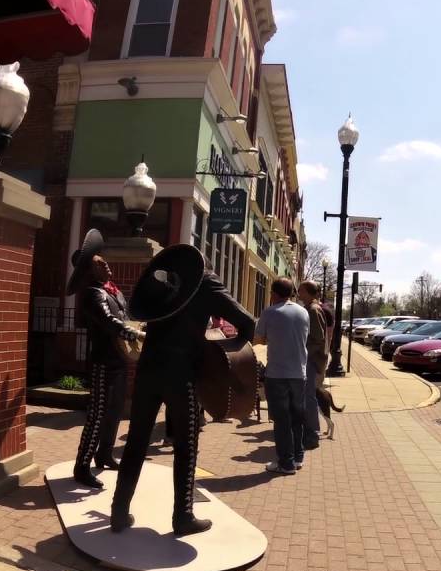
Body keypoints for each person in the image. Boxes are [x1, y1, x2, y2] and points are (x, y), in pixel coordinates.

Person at [110, 244, 254, 536]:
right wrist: (225, 351)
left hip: (148, 369)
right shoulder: (207, 282)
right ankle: (183, 517)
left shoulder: (167, 285)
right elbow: (247, 322)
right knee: (186, 446)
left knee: (136, 441)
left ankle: (118, 511)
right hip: (181, 374)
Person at [67, 229, 143, 489]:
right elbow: (109, 322)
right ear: (90, 271)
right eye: (101, 263)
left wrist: (137, 326)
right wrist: (135, 333)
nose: (107, 264)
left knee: (114, 412)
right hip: (103, 363)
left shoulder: (113, 291)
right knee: (97, 415)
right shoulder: (92, 294)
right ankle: (82, 466)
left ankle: (105, 454)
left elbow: (125, 315)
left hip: (119, 361)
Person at [254, 278, 309, 476]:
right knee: (296, 417)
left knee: (281, 419)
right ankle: (298, 457)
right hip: (299, 373)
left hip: (277, 374)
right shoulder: (303, 312)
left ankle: (285, 464)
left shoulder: (269, 312)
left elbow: (258, 339)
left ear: (274, 293)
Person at [297, 280, 328, 450]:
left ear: (309, 292)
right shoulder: (310, 308)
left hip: (311, 359)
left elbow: (318, 338)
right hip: (311, 358)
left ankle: (312, 434)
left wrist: (304, 350)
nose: (298, 293)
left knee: (308, 396)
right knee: (306, 395)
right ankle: (308, 431)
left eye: (301, 290)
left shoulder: (313, 310)